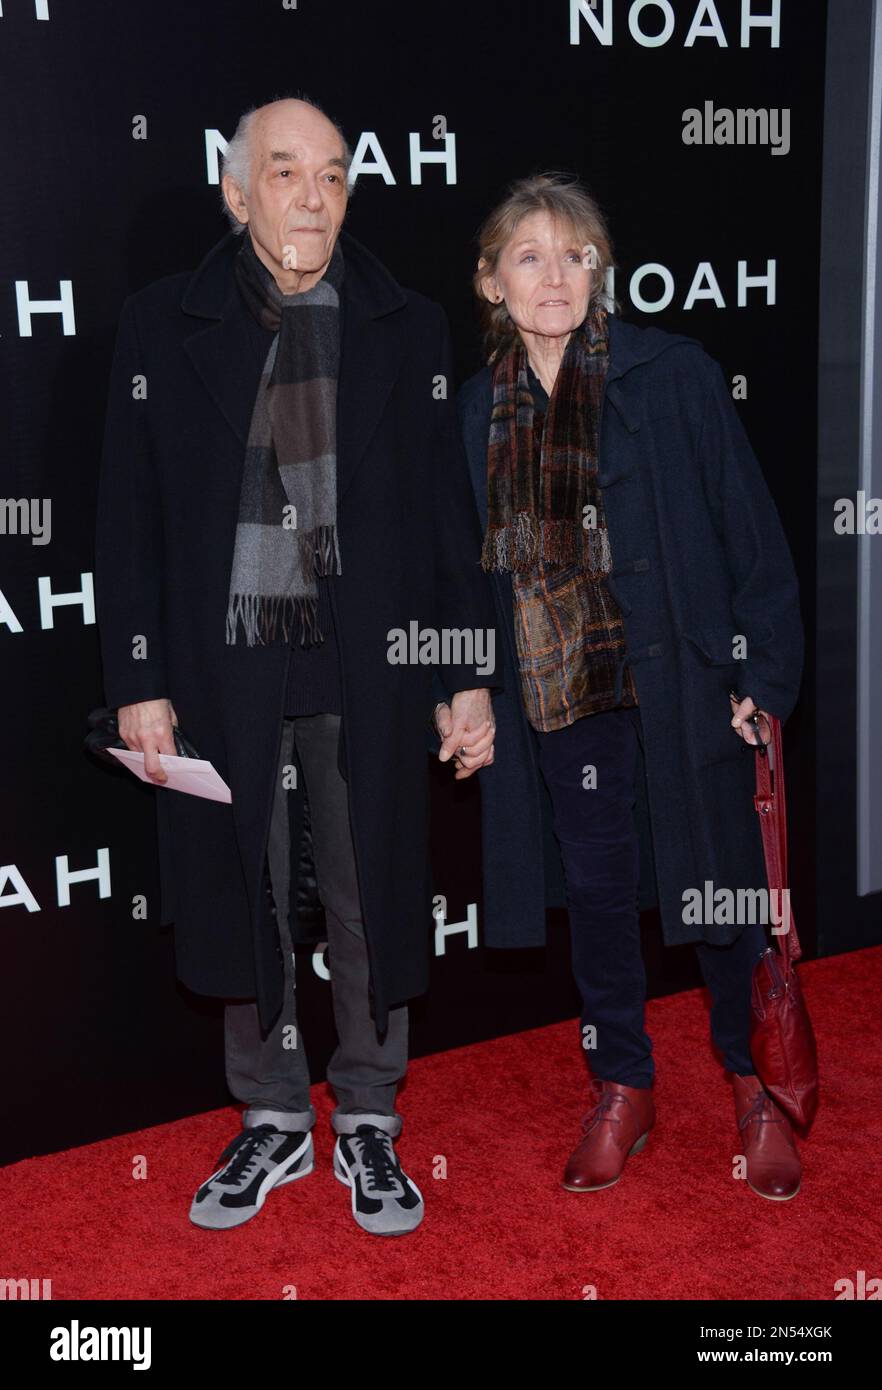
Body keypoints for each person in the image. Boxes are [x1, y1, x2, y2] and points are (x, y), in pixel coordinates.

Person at [95, 96, 496, 1237]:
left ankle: (368, 1119)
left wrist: (465, 671)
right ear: (237, 193)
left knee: (368, 891)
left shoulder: (405, 325)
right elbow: (127, 521)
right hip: (227, 667)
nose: (312, 194)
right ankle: (272, 1117)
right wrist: (137, 677)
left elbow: (442, 516)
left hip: (366, 664)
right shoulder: (157, 326)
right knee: (246, 891)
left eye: (330, 174)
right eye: (284, 172)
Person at [446, 172, 805, 1201]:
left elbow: (753, 536)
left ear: (599, 270)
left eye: (573, 254)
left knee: (719, 890)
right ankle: (623, 1084)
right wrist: (467, 691)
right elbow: (469, 574)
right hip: (562, 699)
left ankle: (752, 1082)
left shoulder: (673, 375)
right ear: (491, 280)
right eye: (529, 255)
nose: (553, 275)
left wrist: (760, 674)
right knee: (600, 901)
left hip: (686, 681)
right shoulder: (476, 411)